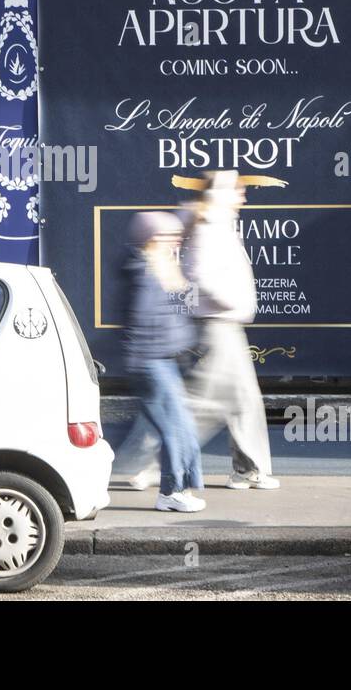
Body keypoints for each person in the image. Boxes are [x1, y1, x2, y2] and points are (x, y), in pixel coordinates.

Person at [181, 170, 280, 490]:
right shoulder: (209, 228)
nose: (244, 197)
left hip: (226, 325)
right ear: (222, 194)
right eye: (238, 192)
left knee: (242, 402)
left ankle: (247, 470)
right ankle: (150, 465)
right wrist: (232, 300)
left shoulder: (218, 225)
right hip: (218, 326)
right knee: (203, 406)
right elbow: (198, 275)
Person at [120, 211, 206, 512]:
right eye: (171, 236)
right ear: (154, 239)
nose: (178, 240)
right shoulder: (145, 271)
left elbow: (179, 315)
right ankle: (171, 492)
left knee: (182, 426)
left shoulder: (164, 267)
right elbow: (145, 324)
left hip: (164, 361)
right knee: (174, 428)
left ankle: (179, 487)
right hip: (150, 362)